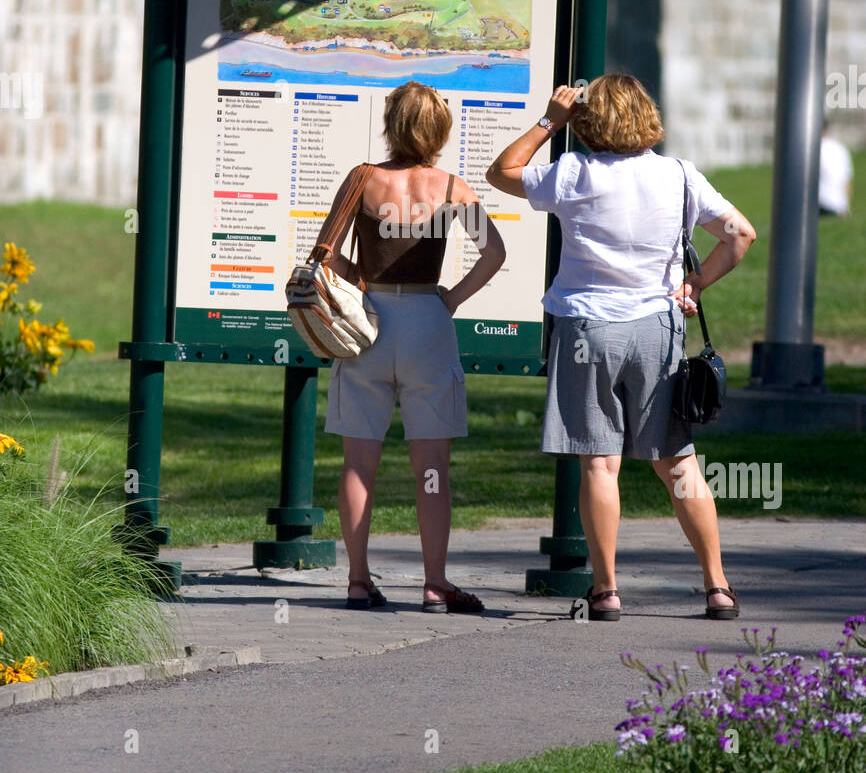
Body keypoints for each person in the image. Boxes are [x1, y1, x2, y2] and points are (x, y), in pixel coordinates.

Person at [486, 74, 756, 621]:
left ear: (589, 124)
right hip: (657, 329)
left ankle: (606, 590)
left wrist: (549, 120)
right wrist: (696, 284)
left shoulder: (573, 172)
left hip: (587, 328)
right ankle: (718, 587)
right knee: (678, 463)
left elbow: (502, 173)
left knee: (600, 465)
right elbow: (740, 234)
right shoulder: (680, 175)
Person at [325, 81, 506, 613]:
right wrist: (450, 299)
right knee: (431, 465)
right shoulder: (451, 187)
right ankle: (433, 583)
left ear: (391, 124)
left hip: (370, 323)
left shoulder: (363, 179)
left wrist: (361, 283)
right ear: (440, 129)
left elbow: (327, 253)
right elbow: (493, 253)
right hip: (428, 322)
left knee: (359, 462)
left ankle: (358, 580)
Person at [819, 122, 853, 216]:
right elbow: (846, 182)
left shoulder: (812, 148)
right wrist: (845, 207)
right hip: (839, 206)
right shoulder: (841, 149)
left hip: (820, 205)